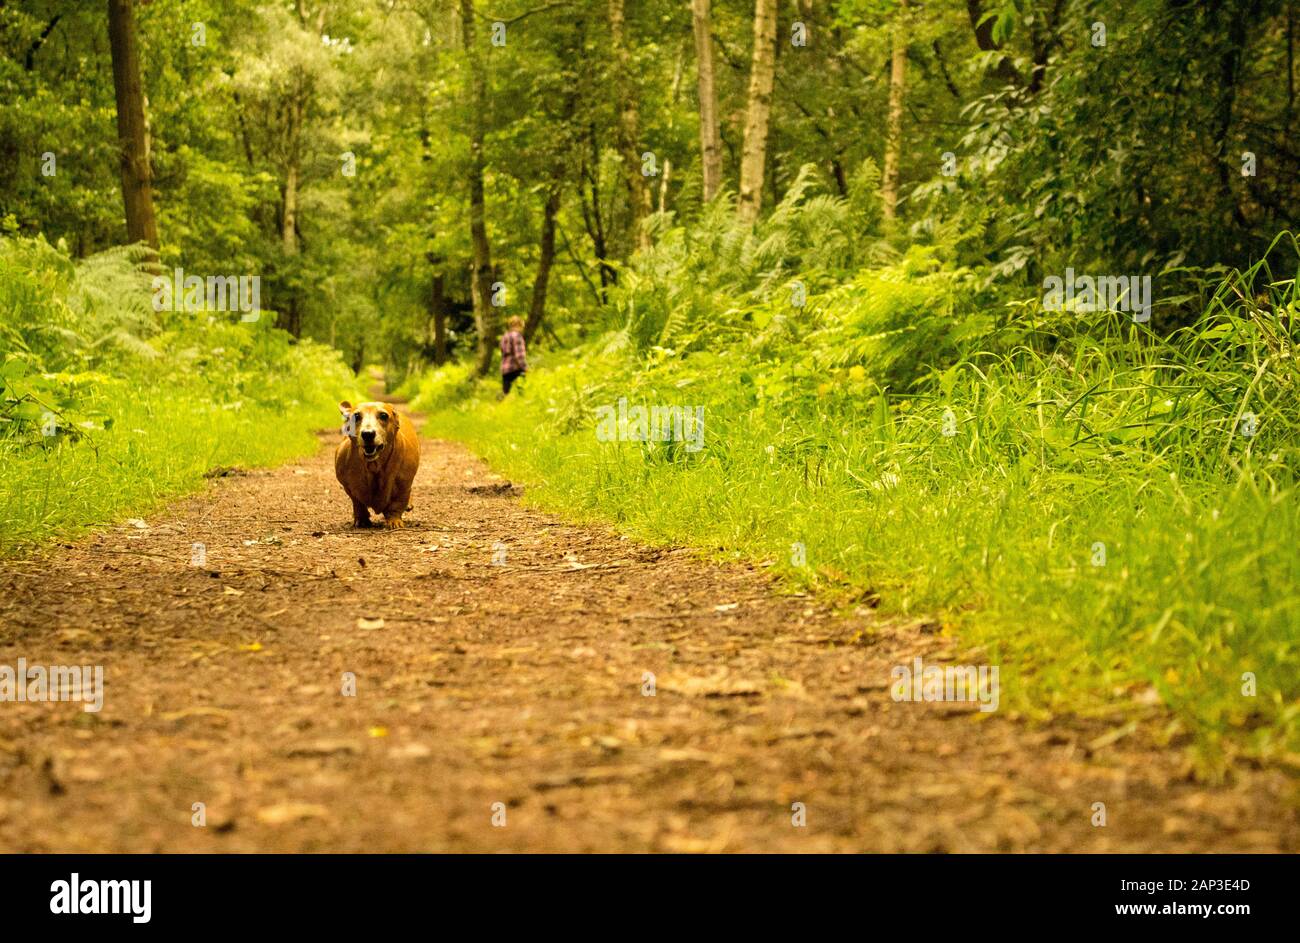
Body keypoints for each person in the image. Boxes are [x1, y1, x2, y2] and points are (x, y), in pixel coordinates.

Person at [500, 316, 527, 395]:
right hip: (516, 368)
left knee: (506, 392)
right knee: (522, 390)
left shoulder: (505, 336)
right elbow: (519, 355)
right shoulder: (517, 336)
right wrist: (524, 367)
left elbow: (503, 351)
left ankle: (498, 404)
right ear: (519, 325)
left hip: (505, 369)